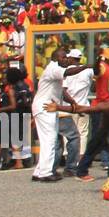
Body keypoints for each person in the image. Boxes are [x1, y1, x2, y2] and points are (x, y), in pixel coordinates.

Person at [30, 48, 70, 183]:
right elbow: (69, 71)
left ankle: (39, 171)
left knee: (48, 139)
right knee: (49, 139)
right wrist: (86, 67)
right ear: (55, 58)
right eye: (63, 57)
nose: (65, 59)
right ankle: (46, 173)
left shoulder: (55, 69)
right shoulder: (53, 68)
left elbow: (62, 93)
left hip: (47, 106)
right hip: (45, 107)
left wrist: (73, 103)